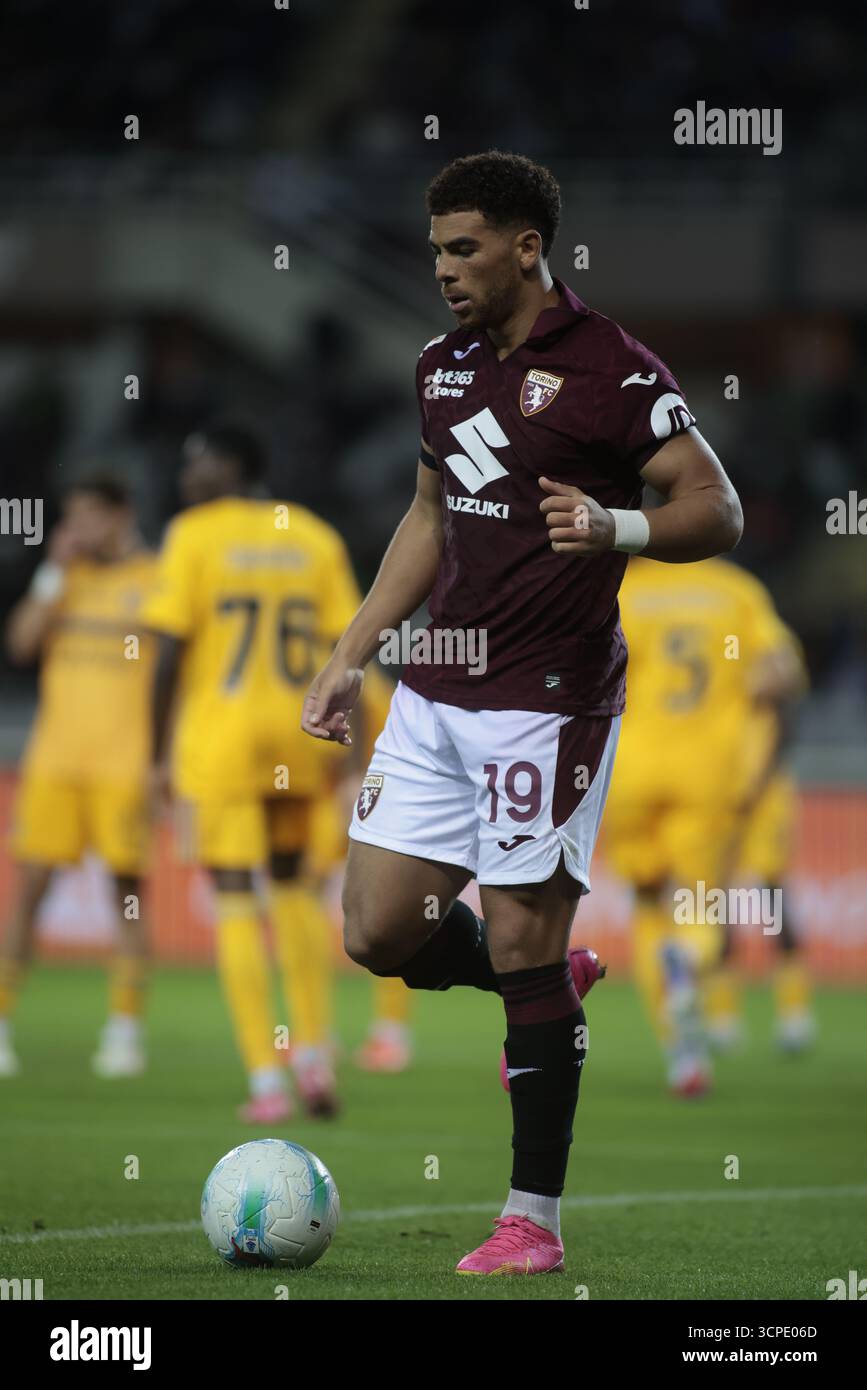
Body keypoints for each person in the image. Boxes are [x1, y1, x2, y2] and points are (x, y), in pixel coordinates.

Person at [301, 150, 742, 1275]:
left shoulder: (610, 368)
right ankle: (544, 978)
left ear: (526, 246)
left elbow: (715, 505)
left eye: (465, 248)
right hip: (438, 690)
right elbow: (428, 514)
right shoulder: (440, 370)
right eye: (437, 249)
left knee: (517, 933)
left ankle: (531, 1221)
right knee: (376, 932)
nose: (445, 269)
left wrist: (618, 528)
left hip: (546, 703)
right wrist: (353, 654)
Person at [144, 424, 362, 1122]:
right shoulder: (314, 536)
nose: (187, 474)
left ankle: (267, 1080)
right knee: (294, 888)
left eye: (198, 458)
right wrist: (355, 758)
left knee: (236, 897)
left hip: (224, 740)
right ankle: (314, 1052)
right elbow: (347, 646)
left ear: (236, 464)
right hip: (301, 736)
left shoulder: (194, 534)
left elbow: (170, 652)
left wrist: (154, 755)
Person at [605, 556, 802, 1096]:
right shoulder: (735, 590)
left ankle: (682, 1055)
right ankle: (689, 959)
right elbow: (781, 671)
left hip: (631, 769)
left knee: (648, 905)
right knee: (699, 903)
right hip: (709, 773)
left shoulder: (623, 589)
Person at [0, 475, 155, 1078]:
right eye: (71, 518)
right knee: (29, 888)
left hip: (126, 762)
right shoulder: (66, 580)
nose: (78, 530)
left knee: (129, 897)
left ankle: (124, 1030)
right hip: (54, 760)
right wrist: (50, 571)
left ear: (122, 515)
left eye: (90, 517)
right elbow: (20, 645)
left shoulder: (156, 578)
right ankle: (4, 1024)